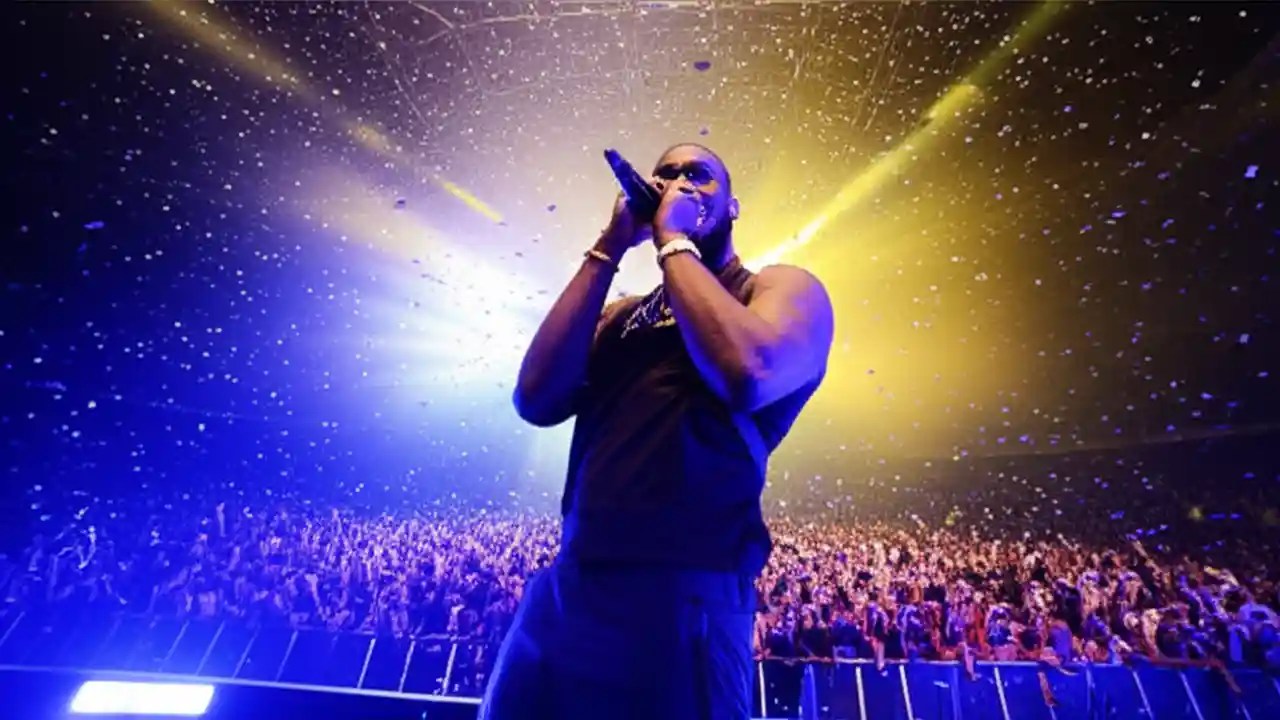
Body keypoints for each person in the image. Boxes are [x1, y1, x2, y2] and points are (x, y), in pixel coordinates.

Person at [480, 143, 834, 720]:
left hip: (686, 599)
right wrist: (610, 244)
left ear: (734, 206)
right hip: (570, 588)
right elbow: (536, 398)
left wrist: (675, 243)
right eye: (665, 174)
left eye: (699, 175)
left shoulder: (777, 289)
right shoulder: (621, 313)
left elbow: (748, 374)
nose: (677, 182)